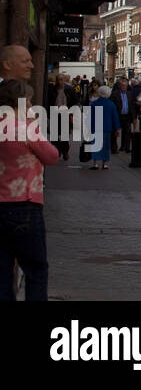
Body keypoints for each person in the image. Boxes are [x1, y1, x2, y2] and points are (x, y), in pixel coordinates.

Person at [0, 80, 59, 301]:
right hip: (24, 204)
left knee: (3, 272)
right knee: (35, 269)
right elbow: (51, 156)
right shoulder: (24, 128)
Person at [87, 85, 120, 170]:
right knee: (105, 146)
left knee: (96, 145)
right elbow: (115, 117)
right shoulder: (111, 104)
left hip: (96, 127)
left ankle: (95, 163)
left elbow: (90, 117)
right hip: (107, 127)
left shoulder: (94, 103)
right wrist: (117, 128)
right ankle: (104, 164)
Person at [111, 79, 133, 151]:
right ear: (119, 86)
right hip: (118, 116)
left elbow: (132, 105)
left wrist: (134, 116)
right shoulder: (115, 94)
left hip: (127, 116)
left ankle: (126, 147)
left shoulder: (130, 94)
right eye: (123, 86)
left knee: (127, 132)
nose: (124, 87)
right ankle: (114, 147)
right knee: (115, 132)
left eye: (125, 86)